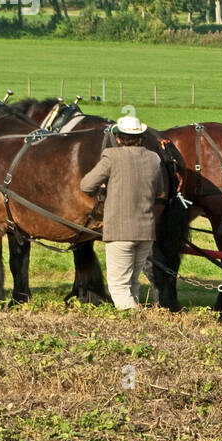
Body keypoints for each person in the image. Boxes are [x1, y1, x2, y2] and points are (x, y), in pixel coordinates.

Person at [79, 115, 165, 310]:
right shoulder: (154, 158)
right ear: (141, 137)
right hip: (145, 232)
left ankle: (131, 320)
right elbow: (159, 190)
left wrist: (103, 186)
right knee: (132, 281)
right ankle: (135, 322)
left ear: (118, 138)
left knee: (118, 285)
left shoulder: (112, 156)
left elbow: (86, 185)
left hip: (120, 231)